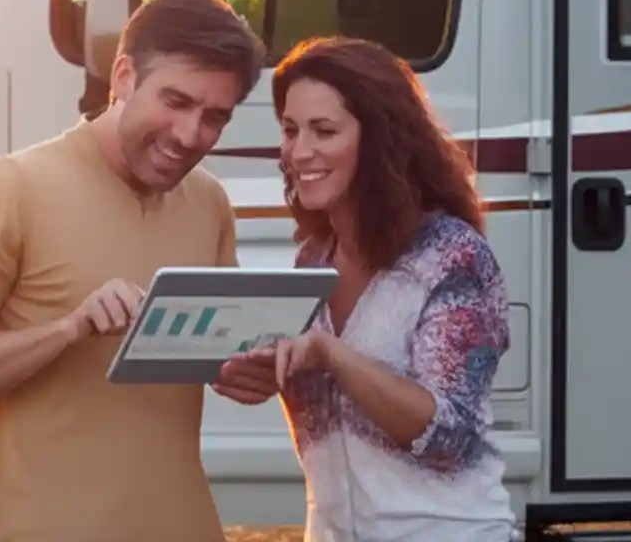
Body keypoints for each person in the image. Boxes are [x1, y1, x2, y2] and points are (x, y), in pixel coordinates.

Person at [0, 0, 267, 542]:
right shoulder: (9, 188)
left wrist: (245, 370)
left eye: (215, 117)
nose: (191, 136)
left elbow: (218, 357)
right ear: (123, 76)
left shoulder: (210, 202)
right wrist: (68, 329)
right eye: (175, 102)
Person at [213, 36, 517, 541]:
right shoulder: (312, 260)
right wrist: (263, 375)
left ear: (378, 139)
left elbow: (448, 435)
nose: (299, 151)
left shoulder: (450, 257)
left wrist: (332, 356)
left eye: (324, 131)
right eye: (291, 130)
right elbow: (327, 397)